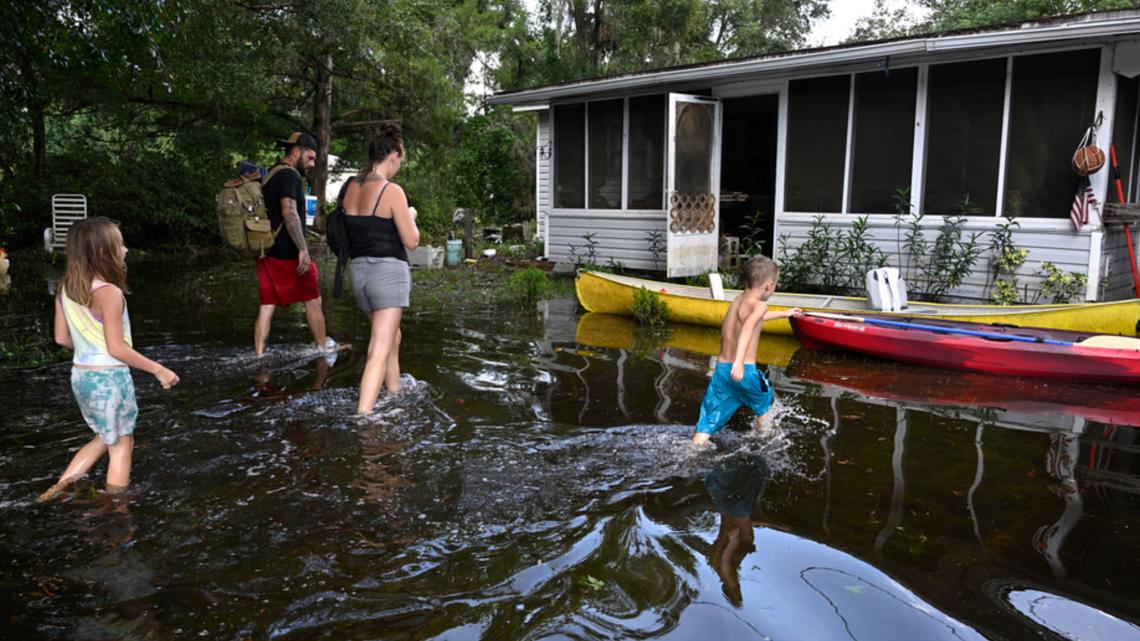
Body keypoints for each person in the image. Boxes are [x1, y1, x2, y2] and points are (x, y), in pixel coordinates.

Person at [39, 217, 180, 500]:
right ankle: (114, 506)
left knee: (104, 436)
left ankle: (54, 491)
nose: (125, 250)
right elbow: (116, 348)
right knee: (122, 445)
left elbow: (62, 339)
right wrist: (158, 369)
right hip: (110, 380)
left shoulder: (66, 290)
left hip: (81, 376)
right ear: (104, 253)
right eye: (121, 244)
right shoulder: (109, 293)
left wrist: (90, 350)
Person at [337, 122, 419, 415]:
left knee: (392, 336)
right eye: (400, 162)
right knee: (378, 349)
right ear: (393, 156)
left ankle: (394, 392)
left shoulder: (350, 188)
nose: (398, 167)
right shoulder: (392, 190)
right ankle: (364, 417)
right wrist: (410, 214)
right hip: (386, 274)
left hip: (359, 275)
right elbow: (411, 240)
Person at [692, 256, 799, 445]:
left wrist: (784, 313)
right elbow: (747, 328)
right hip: (744, 371)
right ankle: (764, 441)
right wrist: (739, 362)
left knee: (708, 420)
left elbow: (753, 319)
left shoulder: (737, 301)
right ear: (769, 285)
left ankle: (693, 448)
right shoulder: (760, 305)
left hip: (722, 371)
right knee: (765, 404)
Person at [255, 132, 334, 356]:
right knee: (312, 298)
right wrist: (302, 249)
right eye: (309, 158)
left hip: (265, 250)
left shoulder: (270, 173)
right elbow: (289, 212)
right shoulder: (289, 176)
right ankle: (322, 348)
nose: (311, 165)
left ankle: (259, 354)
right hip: (286, 253)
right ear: (297, 152)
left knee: (267, 305)